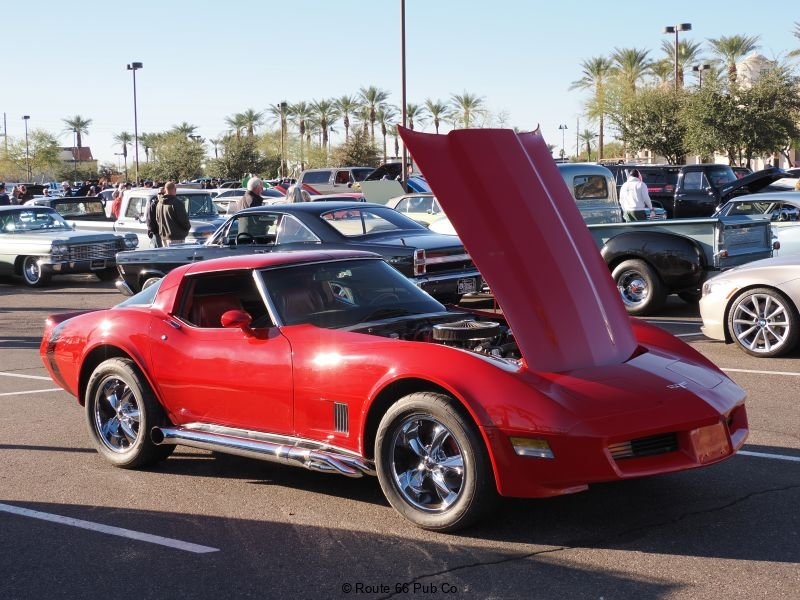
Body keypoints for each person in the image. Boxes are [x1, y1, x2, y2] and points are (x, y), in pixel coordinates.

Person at [156, 181, 191, 246]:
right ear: (175, 189)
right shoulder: (176, 203)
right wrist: (187, 229)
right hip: (176, 237)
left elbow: (158, 220)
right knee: (178, 256)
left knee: (167, 255)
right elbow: (183, 220)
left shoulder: (159, 203)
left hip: (164, 237)